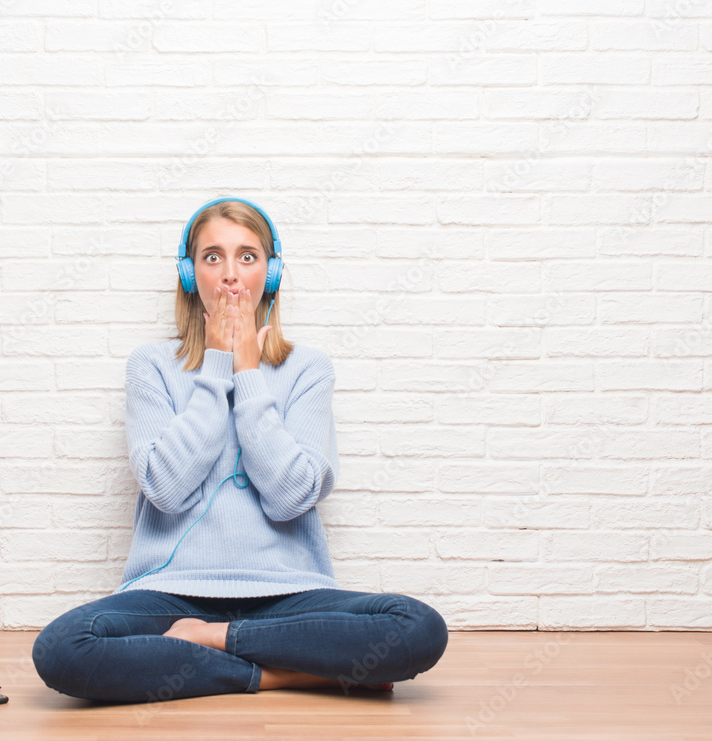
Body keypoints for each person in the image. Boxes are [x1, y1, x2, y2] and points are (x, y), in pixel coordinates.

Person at [32, 197, 448, 704]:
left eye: (247, 257)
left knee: (418, 627)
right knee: (62, 649)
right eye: (213, 257)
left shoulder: (308, 369)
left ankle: (216, 646)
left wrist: (248, 374)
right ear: (190, 275)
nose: (231, 276)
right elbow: (166, 488)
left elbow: (290, 497)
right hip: (171, 594)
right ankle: (287, 674)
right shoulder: (152, 366)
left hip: (288, 595)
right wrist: (217, 365)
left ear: (269, 275)